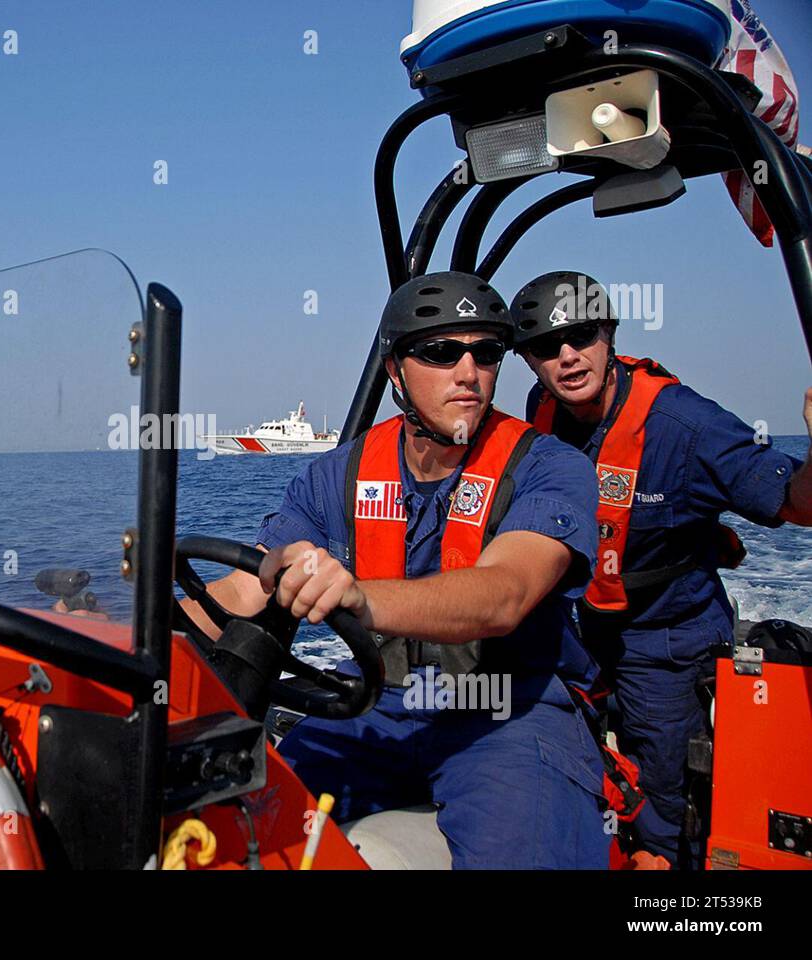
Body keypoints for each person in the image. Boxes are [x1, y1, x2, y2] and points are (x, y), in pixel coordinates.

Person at [181, 271, 609, 869]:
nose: (468, 372)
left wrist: (358, 596)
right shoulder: (337, 476)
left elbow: (504, 595)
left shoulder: (549, 467)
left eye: (486, 353)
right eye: (440, 352)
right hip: (378, 707)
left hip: (508, 712)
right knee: (230, 821)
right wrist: (136, 624)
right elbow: (246, 583)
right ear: (395, 371)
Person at [509, 270, 812, 869]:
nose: (567, 357)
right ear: (528, 360)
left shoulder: (684, 426)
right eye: (546, 346)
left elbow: (798, 504)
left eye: (582, 336)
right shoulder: (541, 412)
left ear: (610, 334)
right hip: (578, 628)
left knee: (660, 810)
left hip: (665, 642)